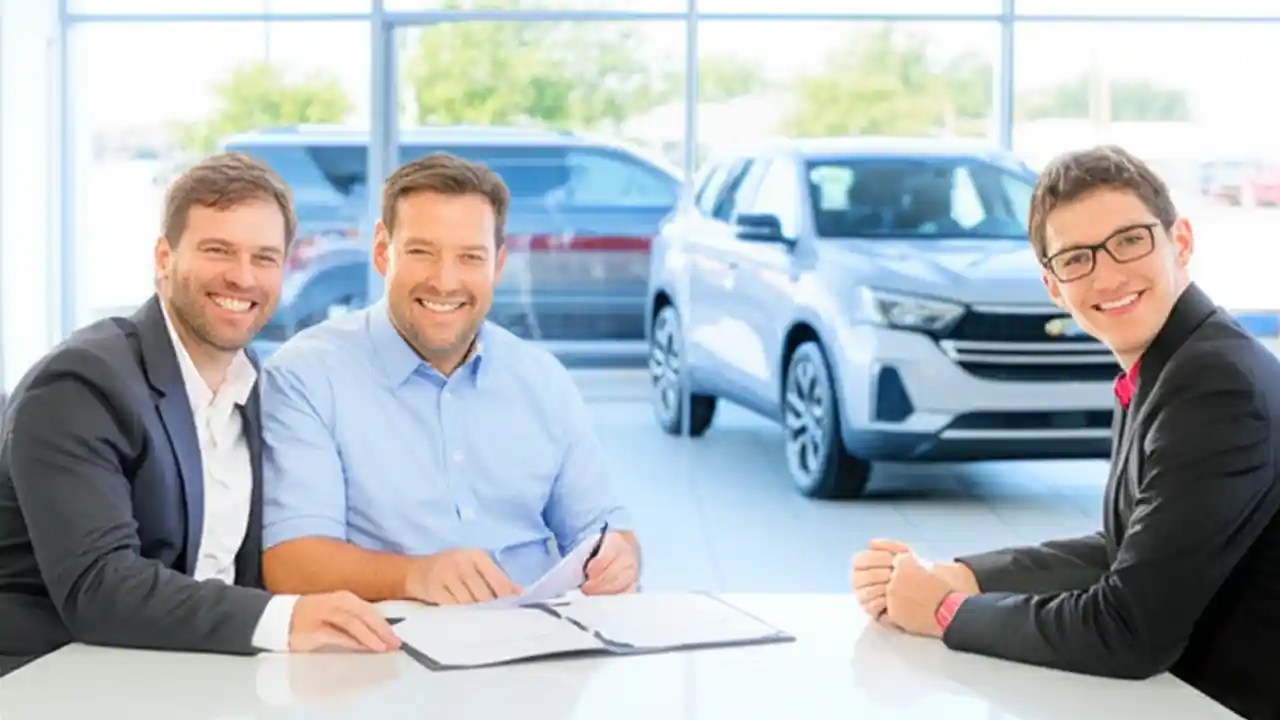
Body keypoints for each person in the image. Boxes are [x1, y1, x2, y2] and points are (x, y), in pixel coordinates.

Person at [851, 145, 1280, 719]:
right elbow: (1134, 550)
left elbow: (1130, 631)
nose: (1107, 274)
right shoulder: (1177, 358)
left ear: (1180, 242)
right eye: (1077, 258)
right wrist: (964, 575)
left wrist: (944, 611)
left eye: (1130, 240)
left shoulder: (1214, 383)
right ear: (1054, 286)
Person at [0, 153, 399, 676]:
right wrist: (285, 618)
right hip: (53, 674)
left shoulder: (253, 386)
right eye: (218, 250)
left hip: (188, 670)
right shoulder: (83, 384)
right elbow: (99, 586)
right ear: (164, 258)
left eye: (264, 258)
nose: (242, 277)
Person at [259, 153, 639, 605]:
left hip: (540, 644)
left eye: (469, 257)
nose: (445, 281)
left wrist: (620, 556)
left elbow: (605, 529)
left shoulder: (541, 379)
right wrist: (413, 577)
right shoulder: (307, 375)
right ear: (383, 250)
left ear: (497, 265)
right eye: (422, 252)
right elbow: (289, 562)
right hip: (387, 654)